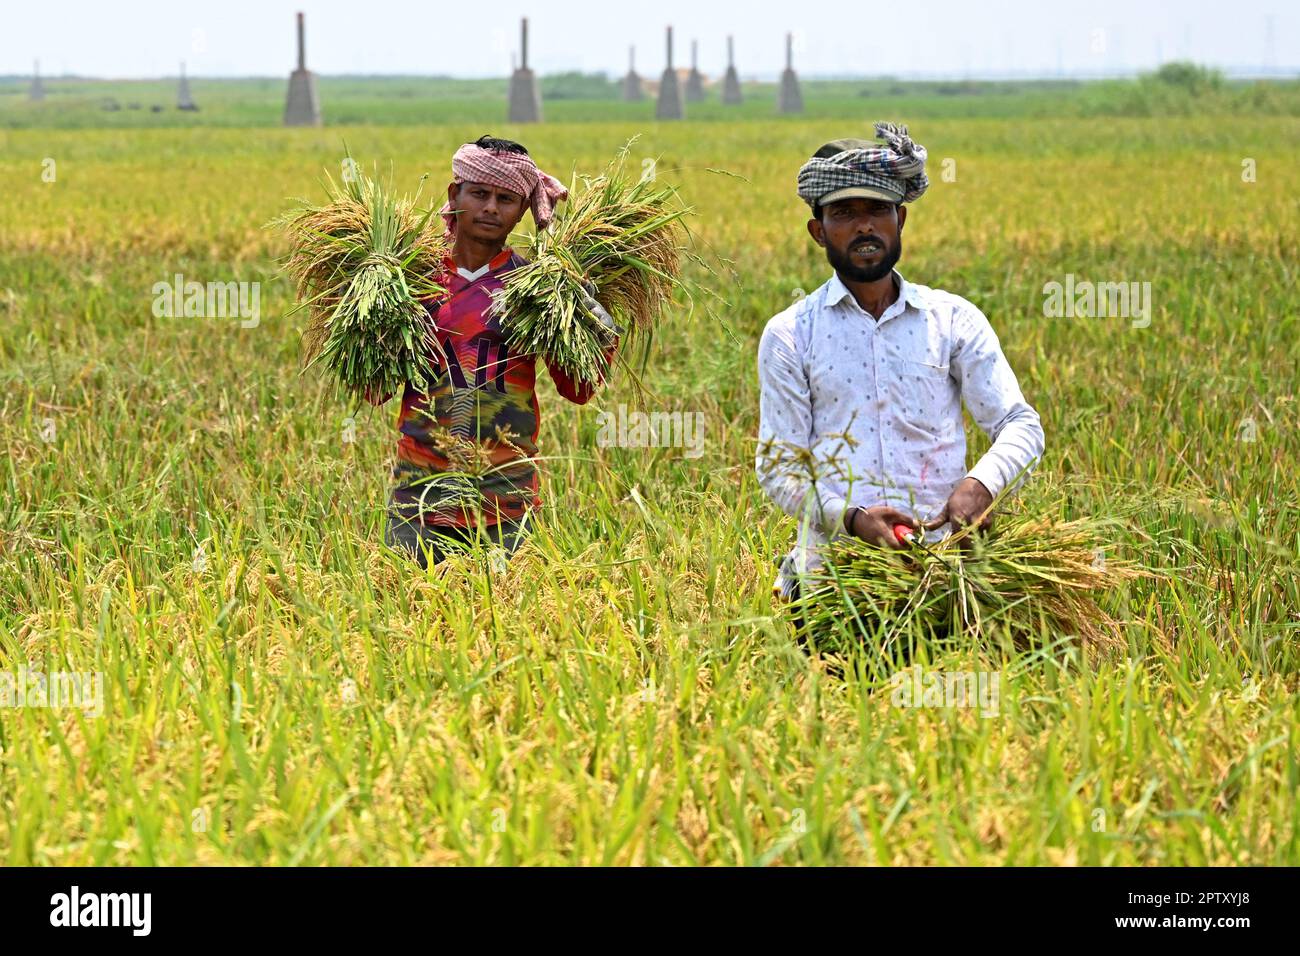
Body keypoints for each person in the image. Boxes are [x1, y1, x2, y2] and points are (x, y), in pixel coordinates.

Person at [755, 122, 1045, 625]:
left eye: (878, 210)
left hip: (947, 580)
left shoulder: (953, 320)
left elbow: (1021, 425)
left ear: (901, 219)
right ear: (818, 230)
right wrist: (852, 519)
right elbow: (780, 467)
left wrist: (981, 484)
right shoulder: (790, 334)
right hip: (833, 585)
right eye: (844, 214)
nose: (864, 226)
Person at [369, 135, 619, 568]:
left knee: (509, 626)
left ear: (523, 209)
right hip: (419, 497)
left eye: (506, 199)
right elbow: (374, 389)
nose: (490, 208)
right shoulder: (410, 281)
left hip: (506, 500)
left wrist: (598, 327)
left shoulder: (537, 288)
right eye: (479, 194)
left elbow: (578, 389)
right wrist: (365, 319)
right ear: (454, 195)